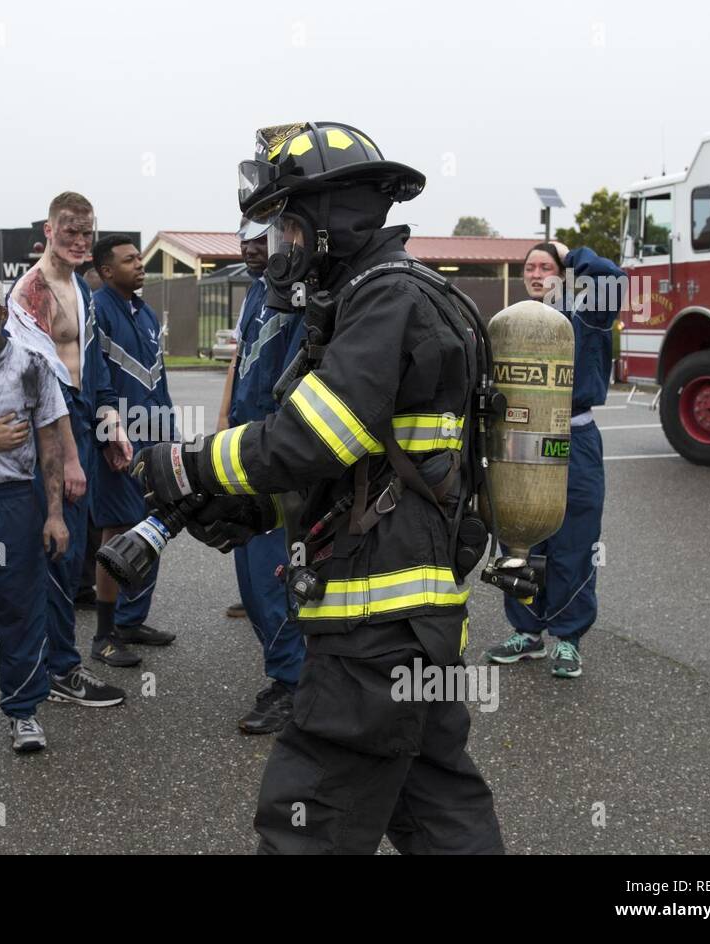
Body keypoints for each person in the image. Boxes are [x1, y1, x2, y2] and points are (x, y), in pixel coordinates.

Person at [136, 121, 504, 854]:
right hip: (414, 631)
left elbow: (317, 435)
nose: (280, 248)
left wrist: (191, 467)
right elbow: (360, 466)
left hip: (375, 635)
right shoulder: (376, 297)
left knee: (307, 821)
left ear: (329, 225)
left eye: (287, 227)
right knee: (437, 808)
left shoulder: (386, 300)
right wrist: (250, 506)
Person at [7, 192, 134, 692]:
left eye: (88, 233)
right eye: (70, 232)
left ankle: (56, 662)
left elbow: (93, 371)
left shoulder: (82, 287)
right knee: (56, 548)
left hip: (81, 424)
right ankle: (58, 669)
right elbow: (42, 389)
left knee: (73, 545)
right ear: (48, 230)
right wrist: (71, 459)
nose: (80, 241)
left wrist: (110, 427)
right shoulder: (30, 292)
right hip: (46, 438)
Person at [484, 240, 619, 679]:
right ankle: (526, 632)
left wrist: (574, 252)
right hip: (518, 442)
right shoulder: (512, 324)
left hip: (574, 439)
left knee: (573, 541)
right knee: (518, 536)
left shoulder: (587, 315)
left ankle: (568, 638)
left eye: (547, 266)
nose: (537, 273)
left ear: (564, 273)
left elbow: (613, 281)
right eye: (531, 266)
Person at [0, 268, 74, 751]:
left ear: (2, 314)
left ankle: (23, 711)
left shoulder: (31, 365)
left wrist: (55, 514)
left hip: (12, 503)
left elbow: (50, 446)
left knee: (20, 611)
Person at [212, 221, 307, 734]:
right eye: (243, 236)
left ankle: (294, 685)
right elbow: (240, 361)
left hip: (278, 454)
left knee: (274, 577)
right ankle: (292, 674)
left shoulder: (301, 292)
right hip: (244, 447)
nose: (249, 246)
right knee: (251, 574)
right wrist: (223, 421)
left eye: (261, 237)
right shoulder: (256, 289)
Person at [90, 234, 177, 662]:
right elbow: (96, 380)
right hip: (119, 439)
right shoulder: (96, 309)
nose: (140, 264)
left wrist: (171, 435)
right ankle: (104, 635)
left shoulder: (144, 313)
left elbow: (158, 382)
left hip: (154, 436)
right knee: (118, 530)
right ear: (107, 271)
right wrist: (108, 435)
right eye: (129, 260)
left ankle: (131, 620)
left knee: (154, 525)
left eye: (139, 257)